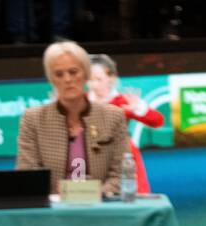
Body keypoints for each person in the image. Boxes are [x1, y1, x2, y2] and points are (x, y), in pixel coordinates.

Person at [15, 40, 126, 196]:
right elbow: (27, 175)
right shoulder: (33, 119)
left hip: (101, 209)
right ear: (52, 80)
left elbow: (121, 175)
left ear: (86, 74)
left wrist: (89, 195)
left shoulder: (114, 116)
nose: (67, 79)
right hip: (52, 213)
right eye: (59, 74)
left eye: (73, 72)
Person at [89, 53, 164, 194]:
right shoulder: (82, 101)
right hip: (91, 157)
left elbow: (158, 121)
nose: (94, 85)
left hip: (123, 156)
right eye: (90, 80)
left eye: (99, 79)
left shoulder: (124, 101)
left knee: (132, 200)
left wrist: (138, 108)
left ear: (111, 79)